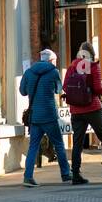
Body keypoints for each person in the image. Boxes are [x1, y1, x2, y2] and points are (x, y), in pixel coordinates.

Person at [63, 43, 102, 183]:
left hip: (76, 110)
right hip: (92, 108)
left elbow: (65, 87)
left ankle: (75, 174)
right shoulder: (93, 66)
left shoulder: (72, 67)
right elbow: (97, 88)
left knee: (77, 142)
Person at [19, 49, 71, 186]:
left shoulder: (29, 72)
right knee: (59, 144)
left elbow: (22, 91)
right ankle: (65, 173)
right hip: (49, 115)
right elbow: (59, 90)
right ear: (51, 60)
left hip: (35, 116)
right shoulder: (54, 72)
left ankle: (28, 177)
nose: (56, 63)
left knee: (33, 146)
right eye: (55, 61)